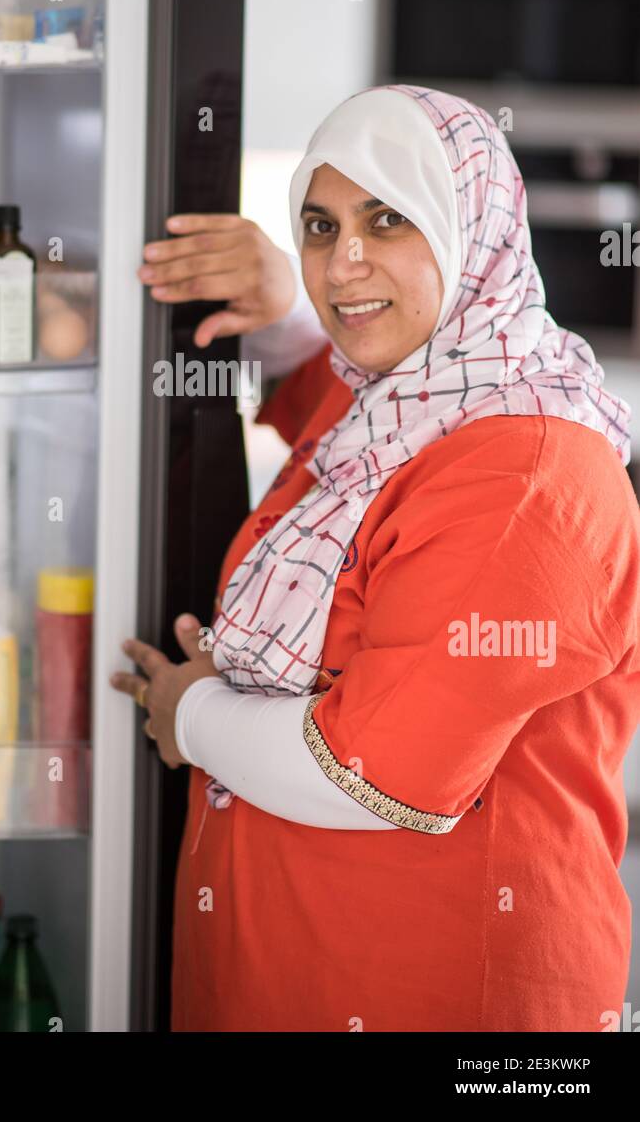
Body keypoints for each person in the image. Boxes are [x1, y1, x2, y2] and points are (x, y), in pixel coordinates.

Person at [110, 84, 640, 1032]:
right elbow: (337, 399)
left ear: (469, 228)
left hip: (445, 994)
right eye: (320, 226)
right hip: (296, 973)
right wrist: (280, 308)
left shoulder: (528, 471)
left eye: (386, 219)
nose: (342, 263)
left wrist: (188, 713)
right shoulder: (407, 397)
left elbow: (382, 776)